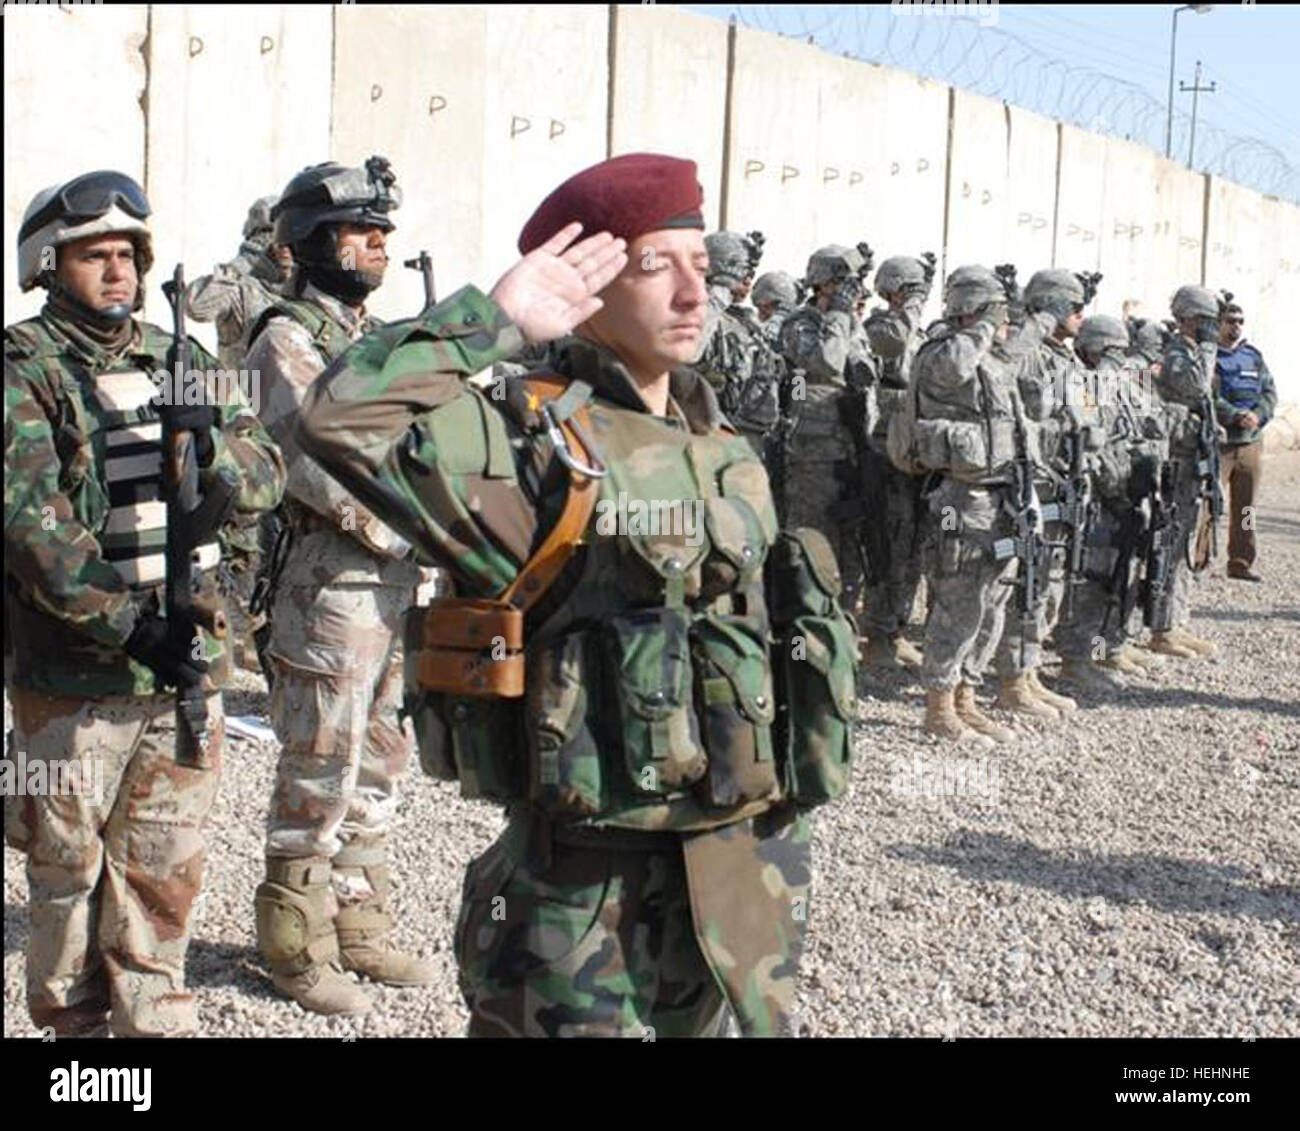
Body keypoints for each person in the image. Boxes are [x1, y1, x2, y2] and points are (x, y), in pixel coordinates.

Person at [299, 152, 859, 1037]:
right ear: (585, 284)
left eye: (701, 268)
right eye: (653, 267)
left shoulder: (724, 445)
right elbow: (340, 415)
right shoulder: (527, 444)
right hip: (584, 902)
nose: (690, 295)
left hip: (739, 886)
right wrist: (494, 321)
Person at [4, 170, 286, 1037]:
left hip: (185, 670)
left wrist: (213, 455)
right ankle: (78, 1045)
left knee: (164, 865)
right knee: (67, 868)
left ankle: (150, 1026)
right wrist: (133, 626)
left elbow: (266, 475)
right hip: (76, 675)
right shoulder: (26, 368)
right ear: (51, 263)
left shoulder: (181, 360)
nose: (118, 270)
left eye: (129, 253)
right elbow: (33, 528)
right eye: (96, 253)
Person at [244, 156, 430, 1014]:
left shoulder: (378, 337)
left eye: (384, 230)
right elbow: (311, 461)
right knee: (321, 759)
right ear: (312, 243)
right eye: (362, 231)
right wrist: (411, 525)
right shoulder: (283, 337)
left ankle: (357, 920)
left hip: (393, 579)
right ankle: (292, 940)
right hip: (330, 580)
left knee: (382, 757)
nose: (379, 244)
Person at [905, 264, 1039, 746]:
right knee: (957, 604)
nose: (1002, 323)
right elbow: (953, 370)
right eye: (995, 312)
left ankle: (967, 695)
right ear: (973, 312)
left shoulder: (989, 357)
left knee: (993, 599)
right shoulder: (943, 351)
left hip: (1000, 494)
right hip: (959, 499)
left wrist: (1023, 313)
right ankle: (938, 707)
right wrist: (984, 322)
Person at [989, 269, 1092, 716]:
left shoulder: (1066, 361)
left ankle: (1028, 672)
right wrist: (1061, 429)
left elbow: (1087, 416)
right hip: (1035, 483)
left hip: (1064, 480)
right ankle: (1010, 679)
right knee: (1026, 583)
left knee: (1048, 583)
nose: (1081, 316)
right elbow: (1015, 421)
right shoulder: (1025, 354)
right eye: (1073, 307)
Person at [779, 243, 877, 619]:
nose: (852, 293)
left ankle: (840, 629)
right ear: (821, 285)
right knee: (810, 545)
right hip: (811, 457)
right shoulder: (800, 324)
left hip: (851, 450)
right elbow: (826, 363)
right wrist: (838, 314)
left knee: (852, 550)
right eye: (841, 283)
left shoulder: (849, 324)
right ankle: (800, 633)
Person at [860, 254, 936, 670]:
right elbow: (894, 344)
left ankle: (898, 627)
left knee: (913, 546)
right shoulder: (881, 327)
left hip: (914, 452)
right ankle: (877, 633)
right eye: (911, 289)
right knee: (886, 544)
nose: (918, 299)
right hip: (884, 451)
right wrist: (909, 306)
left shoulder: (919, 330)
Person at [1143, 284, 1222, 659]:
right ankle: (1162, 629)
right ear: (1188, 320)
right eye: (1206, 322)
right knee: (1170, 546)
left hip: (1192, 463)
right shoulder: (1177, 354)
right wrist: (1207, 347)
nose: (1212, 330)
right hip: (1174, 466)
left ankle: (1177, 621)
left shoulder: (1191, 352)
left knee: (1185, 545)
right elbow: (1195, 386)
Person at [185, 194, 293, 370]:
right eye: (271, 235)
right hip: (245, 395)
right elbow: (197, 308)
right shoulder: (239, 289)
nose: (284, 246)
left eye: (288, 236)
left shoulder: (306, 287)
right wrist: (243, 261)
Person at [692, 230, 776, 454]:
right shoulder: (701, 311)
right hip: (707, 428)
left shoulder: (745, 321)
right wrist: (721, 289)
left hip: (750, 429)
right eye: (742, 270)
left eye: (751, 272)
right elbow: (692, 350)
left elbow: (796, 376)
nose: (748, 278)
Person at [1214, 300, 1276, 583]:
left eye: (1240, 320)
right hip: (1221, 442)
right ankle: (1197, 560)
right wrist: (1234, 415)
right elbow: (1208, 397)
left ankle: (1240, 561)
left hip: (1250, 443)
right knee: (1208, 506)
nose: (1236, 325)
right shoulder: (1210, 357)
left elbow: (1269, 393)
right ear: (1219, 323)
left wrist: (1257, 416)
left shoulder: (1253, 356)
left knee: (1246, 507)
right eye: (1230, 320)